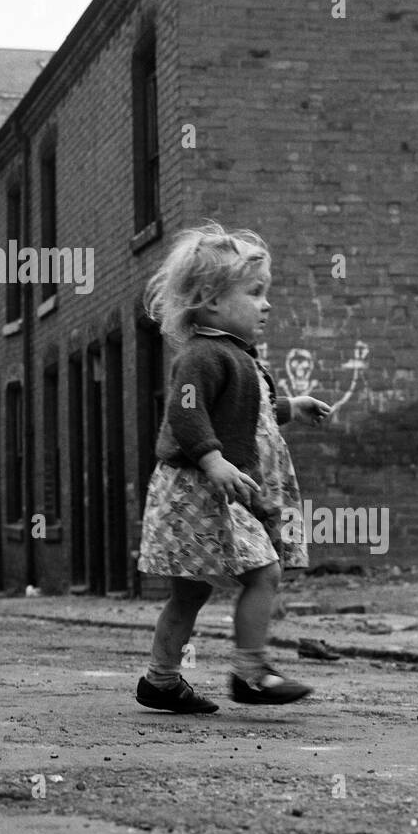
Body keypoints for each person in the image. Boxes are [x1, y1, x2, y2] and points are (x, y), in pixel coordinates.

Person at [135, 221, 332, 713]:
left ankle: (160, 680)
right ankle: (251, 672)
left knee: (190, 594)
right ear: (212, 300)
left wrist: (293, 406)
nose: (267, 304)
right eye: (256, 292)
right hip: (200, 490)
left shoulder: (238, 355)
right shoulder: (201, 356)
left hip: (219, 491)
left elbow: (251, 411)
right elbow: (185, 410)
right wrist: (213, 459)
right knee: (262, 572)